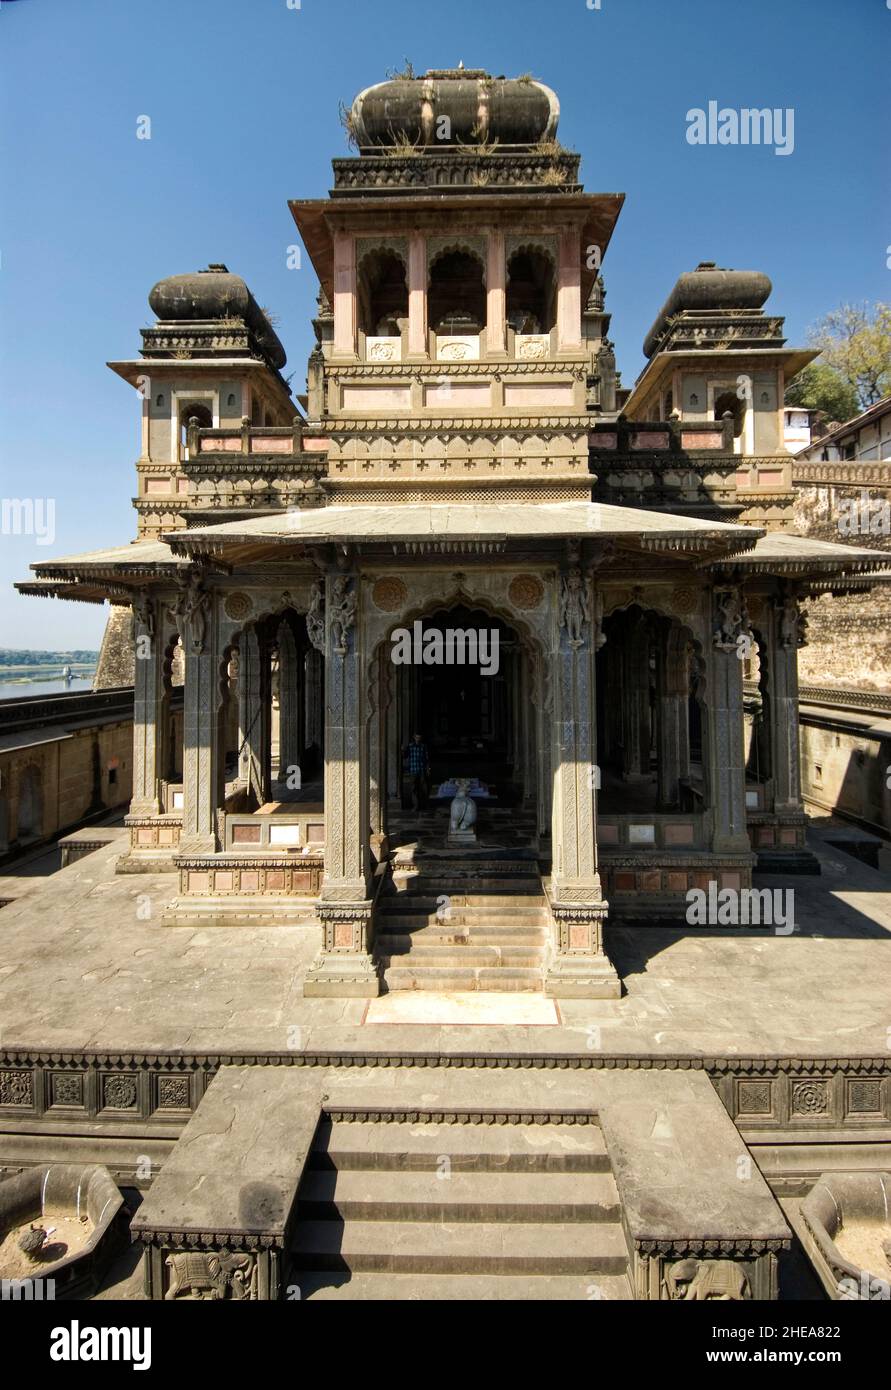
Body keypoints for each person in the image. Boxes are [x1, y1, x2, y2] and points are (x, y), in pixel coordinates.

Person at [405, 732, 430, 812]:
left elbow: (426, 759)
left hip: (422, 770)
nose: (418, 739)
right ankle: (416, 806)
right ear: (414, 737)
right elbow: (405, 756)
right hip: (413, 770)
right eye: (417, 737)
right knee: (414, 789)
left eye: (419, 737)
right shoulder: (410, 746)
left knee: (424, 788)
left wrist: (427, 769)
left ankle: (425, 805)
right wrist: (403, 750)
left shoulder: (423, 747)